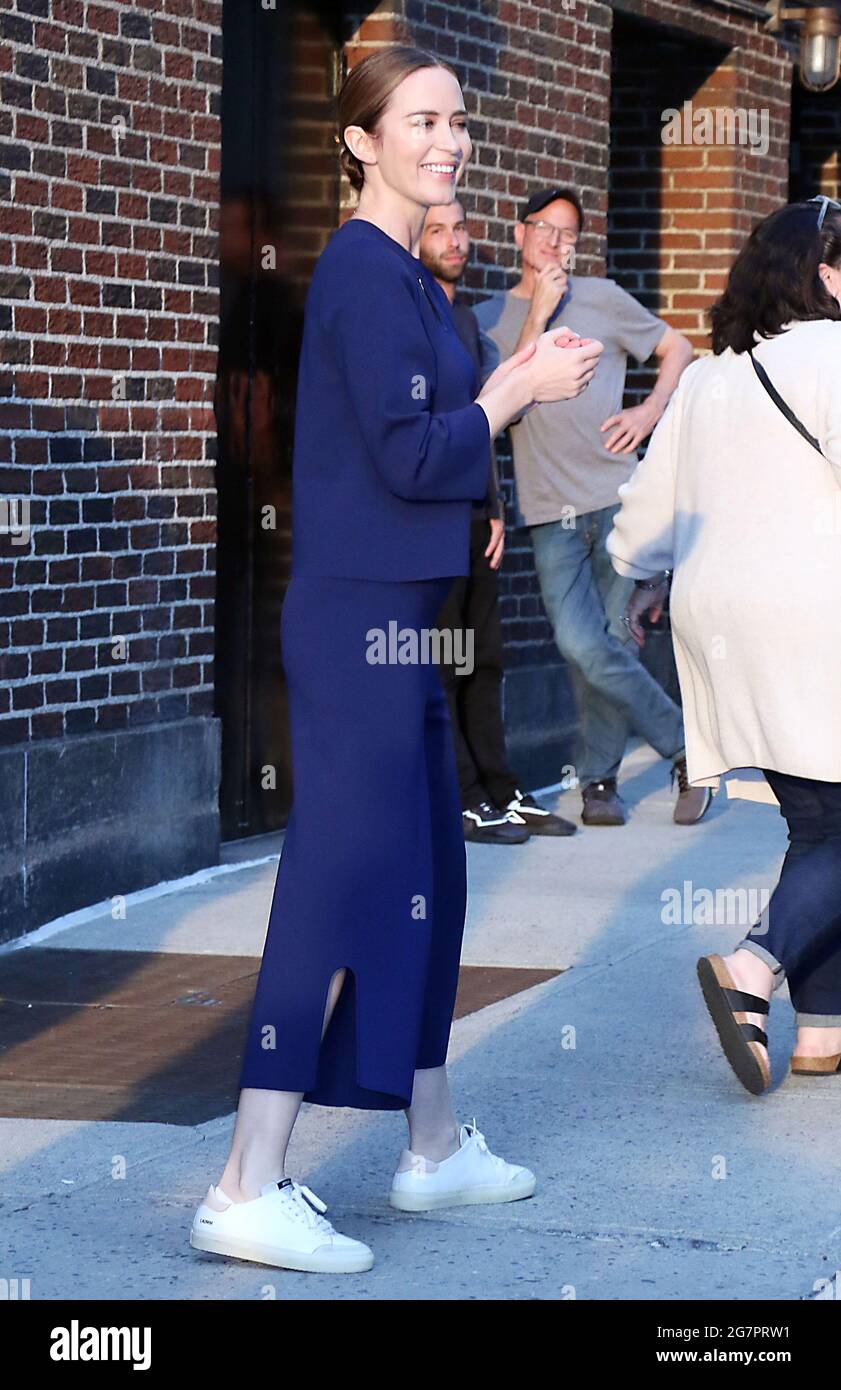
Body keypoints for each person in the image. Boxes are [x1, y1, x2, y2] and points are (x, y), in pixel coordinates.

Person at [189, 47, 604, 1274]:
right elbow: (419, 454)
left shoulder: (416, 275)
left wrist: (506, 377)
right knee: (332, 888)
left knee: (430, 869)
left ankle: (427, 1144)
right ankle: (243, 1181)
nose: (449, 139)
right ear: (362, 140)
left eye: (457, 120)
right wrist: (517, 391)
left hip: (407, 621)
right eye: (421, 120)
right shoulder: (364, 275)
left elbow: (441, 445)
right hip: (360, 625)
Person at [605, 197, 841, 1096]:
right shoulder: (832, 354)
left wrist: (640, 574)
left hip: (720, 624)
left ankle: (820, 1032)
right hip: (813, 617)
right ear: (822, 273)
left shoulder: (709, 376)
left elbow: (647, 516)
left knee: (820, 822)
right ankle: (752, 969)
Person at [474, 188, 710, 828]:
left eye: (569, 233)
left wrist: (649, 410)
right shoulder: (487, 317)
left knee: (614, 643)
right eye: (545, 229)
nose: (556, 242)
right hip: (550, 509)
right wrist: (541, 312)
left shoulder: (603, 298)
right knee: (580, 645)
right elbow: (499, 403)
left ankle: (599, 783)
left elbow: (678, 349)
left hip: (616, 497)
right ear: (519, 234)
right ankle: (689, 747)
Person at [420, 198, 577, 843]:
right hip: (426, 519)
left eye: (460, 227)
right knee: (444, 660)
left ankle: (498, 788)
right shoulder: (414, 315)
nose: (455, 240)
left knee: (483, 658)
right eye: (438, 230)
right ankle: (458, 795)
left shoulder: (459, 317)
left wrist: (492, 504)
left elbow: (488, 412)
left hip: (472, 512)